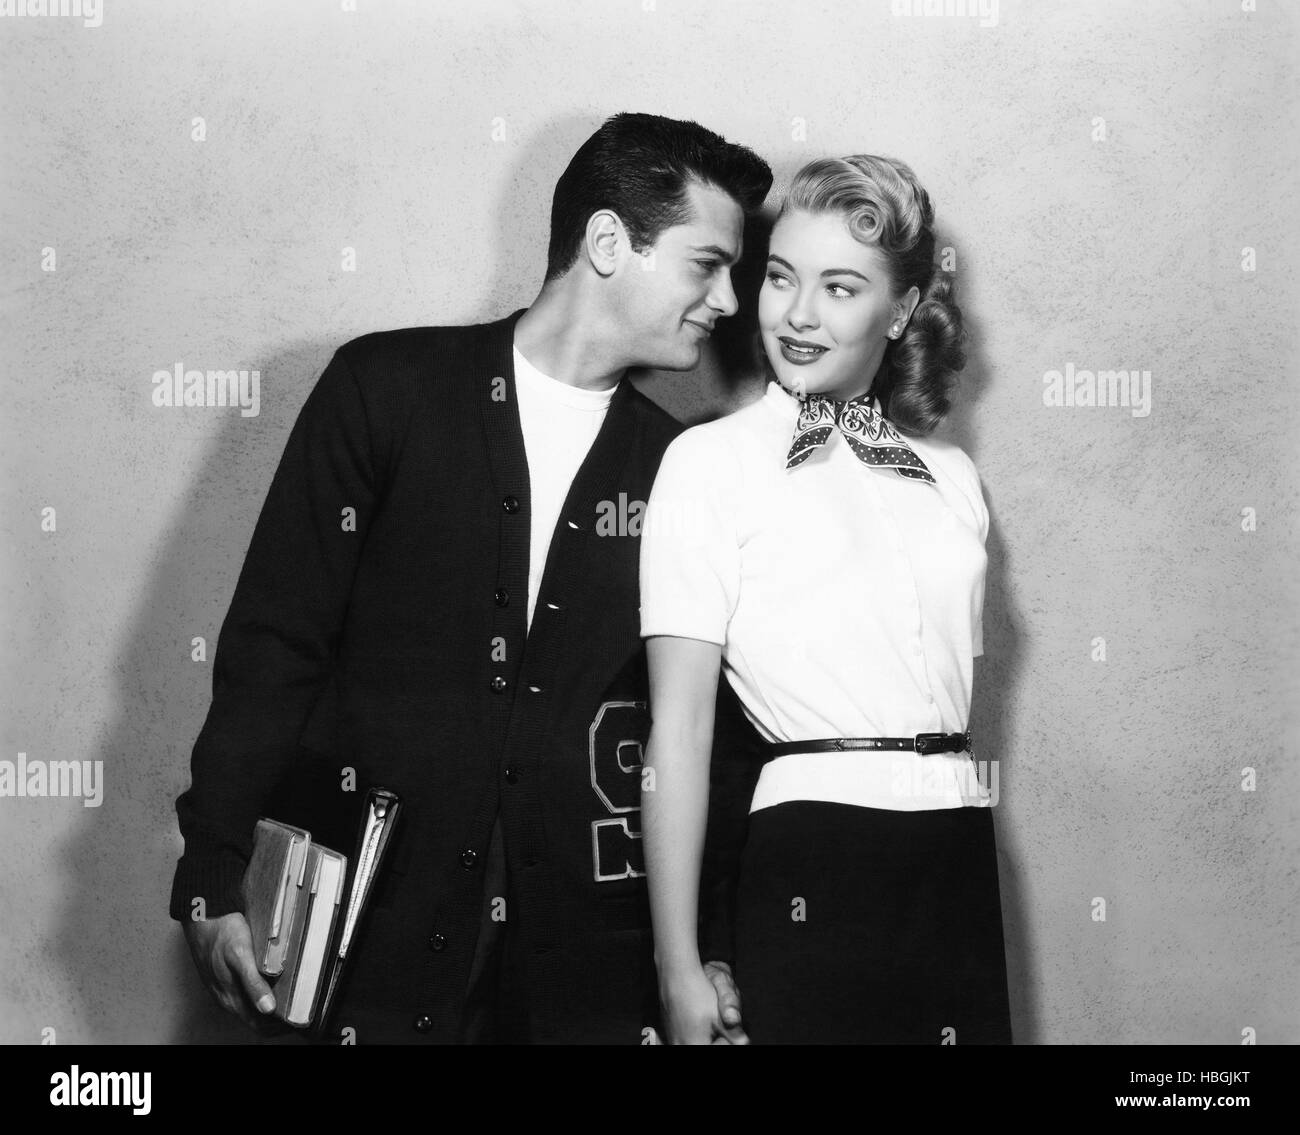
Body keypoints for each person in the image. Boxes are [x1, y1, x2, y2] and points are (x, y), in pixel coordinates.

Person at [169, 111, 773, 1044]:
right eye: (706, 263)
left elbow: (712, 740)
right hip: (367, 943)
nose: (730, 300)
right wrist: (213, 870)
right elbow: (275, 641)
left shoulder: (684, 469)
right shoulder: (384, 389)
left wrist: (707, 946)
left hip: (582, 968)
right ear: (608, 242)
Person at [640, 154, 1013, 1044]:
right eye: (779, 278)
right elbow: (680, 732)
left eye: (840, 288)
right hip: (815, 851)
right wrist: (677, 962)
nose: (797, 315)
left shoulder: (952, 477)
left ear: (904, 310)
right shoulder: (709, 464)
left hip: (957, 845)